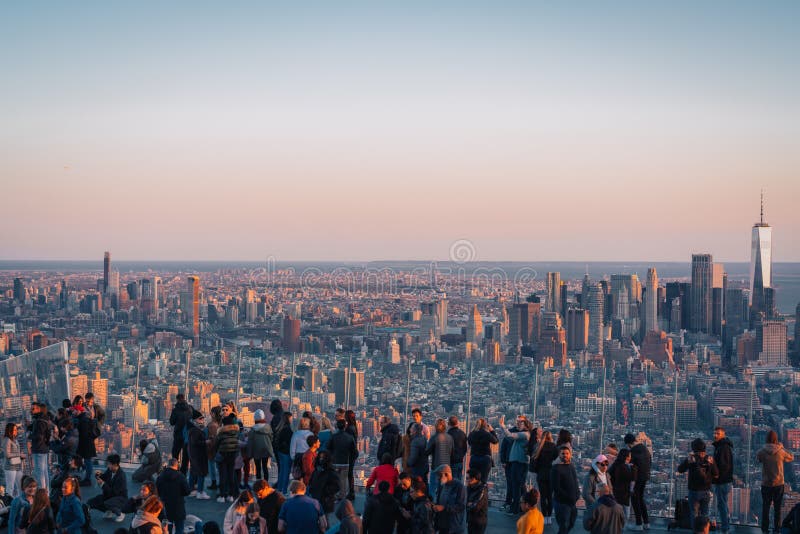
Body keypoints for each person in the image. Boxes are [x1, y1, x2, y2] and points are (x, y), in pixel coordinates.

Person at [757, 430, 794, 534]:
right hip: (778, 484)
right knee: (777, 509)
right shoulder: (781, 451)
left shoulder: (762, 451)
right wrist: (782, 447)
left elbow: (758, 458)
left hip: (766, 484)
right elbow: (791, 457)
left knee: (766, 507)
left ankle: (764, 529)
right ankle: (777, 530)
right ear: (776, 439)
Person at [677, 438, 718, 528]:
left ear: (694, 448)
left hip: (694, 491)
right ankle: (705, 531)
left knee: (694, 514)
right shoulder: (710, 459)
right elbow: (716, 474)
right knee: (705, 514)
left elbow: (680, 469)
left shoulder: (692, 459)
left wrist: (688, 460)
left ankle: (695, 531)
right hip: (706, 490)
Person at [499, 415, 531, 515]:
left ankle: (515, 509)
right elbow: (507, 440)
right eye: (517, 421)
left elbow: (510, 436)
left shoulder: (525, 434)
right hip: (517, 463)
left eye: (521, 422)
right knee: (518, 486)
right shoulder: (521, 433)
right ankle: (522, 507)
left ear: (526, 424)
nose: (518, 423)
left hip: (519, 463)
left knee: (516, 486)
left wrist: (503, 426)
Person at [88, 453, 128, 522]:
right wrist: (98, 475)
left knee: (107, 503)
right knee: (93, 501)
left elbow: (114, 493)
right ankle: (109, 511)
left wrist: (103, 484)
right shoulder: (110, 470)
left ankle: (120, 514)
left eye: (109, 464)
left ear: (115, 464)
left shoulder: (121, 476)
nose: (108, 465)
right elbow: (104, 477)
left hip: (120, 498)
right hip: (111, 496)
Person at [625, 432, 652, 531]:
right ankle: (646, 522)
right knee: (641, 498)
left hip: (636, 479)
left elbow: (631, 467)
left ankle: (638, 524)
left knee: (635, 499)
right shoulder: (645, 449)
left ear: (628, 443)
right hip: (645, 477)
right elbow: (650, 461)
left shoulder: (632, 452)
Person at [156, 458, 191, 534]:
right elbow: (187, 491)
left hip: (165, 505)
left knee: (166, 528)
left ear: (168, 465)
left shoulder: (161, 476)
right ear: (177, 466)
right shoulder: (181, 476)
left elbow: (157, 491)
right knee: (179, 528)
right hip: (178, 505)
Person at [551, 445, 580, 534]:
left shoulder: (571, 466)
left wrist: (577, 494)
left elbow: (575, 481)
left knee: (571, 523)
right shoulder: (556, 469)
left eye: (567, 453)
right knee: (563, 526)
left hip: (572, 503)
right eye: (563, 453)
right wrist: (568, 498)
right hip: (562, 503)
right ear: (559, 455)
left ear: (570, 455)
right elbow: (557, 488)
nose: (565, 455)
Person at [531, 431, 558, 525]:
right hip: (550, 474)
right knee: (550, 497)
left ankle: (544, 515)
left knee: (543, 496)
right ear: (550, 437)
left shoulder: (539, 447)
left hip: (541, 474)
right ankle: (549, 517)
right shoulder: (554, 447)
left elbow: (534, 462)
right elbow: (556, 459)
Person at [216, 405, 242, 503]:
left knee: (223, 475)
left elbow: (217, 444)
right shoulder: (236, 432)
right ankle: (231, 495)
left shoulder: (221, 432)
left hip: (223, 455)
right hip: (233, 455)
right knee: (231, 475)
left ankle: (222, 495)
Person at [327, 418, 357, 501]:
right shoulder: (350, 437)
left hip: (335, 462)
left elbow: (328, 447)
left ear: (337, 426)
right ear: (345, 426)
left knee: (335, 479)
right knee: (343, 480)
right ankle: (342, 497)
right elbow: (354, 451)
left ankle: (334, 495)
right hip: (345, 462)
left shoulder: (333, 436)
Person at [28, 402, 54, 493]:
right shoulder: (44, 419)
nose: (31, 410)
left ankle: (42, 493)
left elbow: (39, 436)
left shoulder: (39, 421)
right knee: (44, 471)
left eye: (33, 409)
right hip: (44, 448)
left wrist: (30, 436)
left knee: (40, 472)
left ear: (39, 409)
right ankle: (47, 492)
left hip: (38, 448)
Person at [712, 427, 733, 534]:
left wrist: (717, 476)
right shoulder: (721, 446)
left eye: (718, 433)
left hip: (722, 481)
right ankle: (726, 525)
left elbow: (724, 465)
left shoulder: (723, 447)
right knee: (723, 503)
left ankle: (725, 527)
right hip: (724, 480)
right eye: (715, 433)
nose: (715, 435)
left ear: (723, 434)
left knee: (722, 504)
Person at [432, 465, 465, 534]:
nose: (438, 478)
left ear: (446, 474)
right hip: (441, 524)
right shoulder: (441, 485)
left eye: (439, 476)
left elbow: (461, 507)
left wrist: (444, 508)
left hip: (452, 526)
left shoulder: (459, 486)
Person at [308, 450, 340, 521]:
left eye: (323, 458)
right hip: (315, 499)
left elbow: (337, 486)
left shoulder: (331, 472)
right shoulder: (316, 471)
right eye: (320, 457)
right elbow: (311, 482)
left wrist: (325, 491)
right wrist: (311, 490)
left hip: (325, 501)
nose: (321, 459)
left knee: (324, 521)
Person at [426, 419, 455, 498]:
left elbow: (427, 451)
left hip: (436, 467)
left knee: (433, 490)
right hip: (447, 468)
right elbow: (452, 453)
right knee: (445, 490)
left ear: (436, 427)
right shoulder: (450, 438)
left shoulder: (434, 437)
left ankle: (434, 507)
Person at [466, 418, 498, 488]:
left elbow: (469, 443)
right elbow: (495, 441)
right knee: (483, 481)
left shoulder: (472, 434)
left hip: (474, 458)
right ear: (485, 425)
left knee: (472, 479)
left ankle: (471, 496)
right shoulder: (486, 434)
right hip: (485, 459)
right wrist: (492, 430)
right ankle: (481, 497)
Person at [608, 448, 637, 521]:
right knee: (625, 515)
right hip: (624, 493)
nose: (631, 457)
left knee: (617, 512)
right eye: (630, 455)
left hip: (616, 492)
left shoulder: (616, 465)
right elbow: (631, 478)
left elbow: (609, 475)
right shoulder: (624, 467)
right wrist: (633, 468)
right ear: (626, 457)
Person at [187, 411, 211, 499]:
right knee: (201, 473)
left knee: (193, 472)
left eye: (203, 418)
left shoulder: (192, 429)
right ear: (195, 420)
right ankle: (200, 492)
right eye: (200, 419)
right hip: (198, 455)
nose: (202, 420)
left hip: (194, 454)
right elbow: (195, 443)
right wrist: (206, 442)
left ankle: (191, 490)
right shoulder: (195, 430)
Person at [247, 410, 274, 482]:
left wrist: (249, 454)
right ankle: (266, 483)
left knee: (258, 467)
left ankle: (258, 483)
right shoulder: (268, 427)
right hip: (266, 449)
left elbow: (250, 441)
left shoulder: (253, 429)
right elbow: (271, 438)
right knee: (265, 467)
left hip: (256, 450)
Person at [169, 393, 194, 474]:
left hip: (178, 434)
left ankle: (174, 470)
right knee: (185, 455)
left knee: (175, 453)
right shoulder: (190, 409)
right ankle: (184, 472)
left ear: (177, 399)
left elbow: (172, 422)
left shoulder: (175, 410)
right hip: (187, 435)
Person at [76, 409, 100, 487]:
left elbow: (83, 434)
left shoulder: (83, 420)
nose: (74, 412)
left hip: (86, 444)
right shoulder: (87, 420)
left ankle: (87, 479)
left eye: (76, 410)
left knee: (88, 462)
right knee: (88, 461)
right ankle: (87, 478)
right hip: (89, 444)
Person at [273, 412, 294, 495]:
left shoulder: (280, 428)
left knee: (282, 471)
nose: (292, 420)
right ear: (288, 419)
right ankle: (284, 491)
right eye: (291, 418)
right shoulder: (288, 429)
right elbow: (289, 441)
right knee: (286, 472)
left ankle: (280, 488)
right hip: (286, 453)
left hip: (280, 452)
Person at [3, 423, 25, 497]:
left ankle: (20, 502)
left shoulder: (15, 439)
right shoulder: (7, 440)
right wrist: (19, 455)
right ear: (10, 430)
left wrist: (20, 455)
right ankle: (9, 504)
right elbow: (7, 454)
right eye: (14, 430)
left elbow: (15, 452)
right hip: (10, 467)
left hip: (17, 466)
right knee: (10, 487)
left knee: (21, 486)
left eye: (16, 429)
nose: (16, 431)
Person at [289, 418, 313, 483]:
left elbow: (292, 447)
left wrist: (293, 457)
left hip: (298, 457)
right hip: (308, 457)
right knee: (308, 476)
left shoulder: (296, 434)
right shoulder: (311, 434)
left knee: (298, 477)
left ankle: (298, 490)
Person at [465, 469, 488, 534]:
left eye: (467, 478)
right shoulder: (470, 487)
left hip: (479, 522)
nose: (466, 480)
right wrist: (468, 504)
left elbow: (476, 507)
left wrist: (468, 504)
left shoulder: (482, 490)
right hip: (471, 519)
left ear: (474, 479)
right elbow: (466, 502)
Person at [344, 410, 359, 500]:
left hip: (350, 453)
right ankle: (351, 491)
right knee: (350, 473)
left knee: (349, 473)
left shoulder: (349, 428)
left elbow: (349, 441)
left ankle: (351, 492)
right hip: (353, 452)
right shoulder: (354, 427)